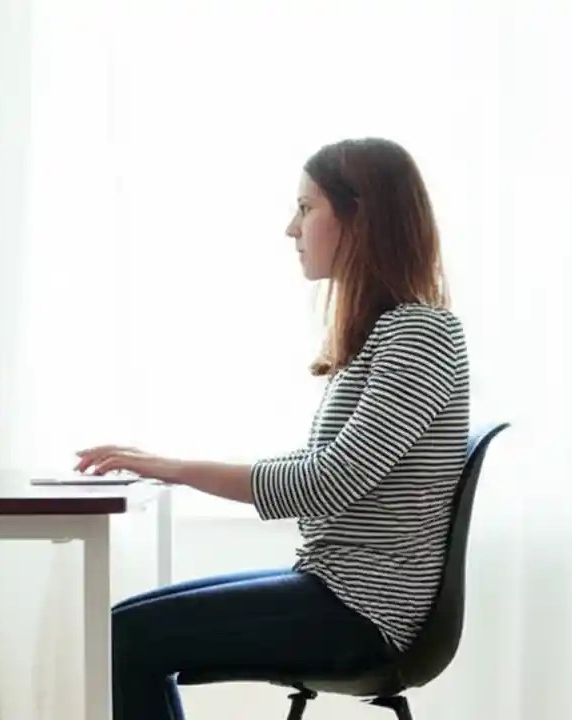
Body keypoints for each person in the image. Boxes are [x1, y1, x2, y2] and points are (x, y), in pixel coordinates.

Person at [74, 137, 471, 720]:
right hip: (335, 587)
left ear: (359, 216)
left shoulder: (419, 334)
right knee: (117, 631)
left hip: (365, 611)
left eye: (307, 208)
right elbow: (321, 470)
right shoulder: (386, 334)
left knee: (123, 640)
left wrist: (173, 469)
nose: (292, 228)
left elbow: (326, 483)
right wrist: (167, 462)